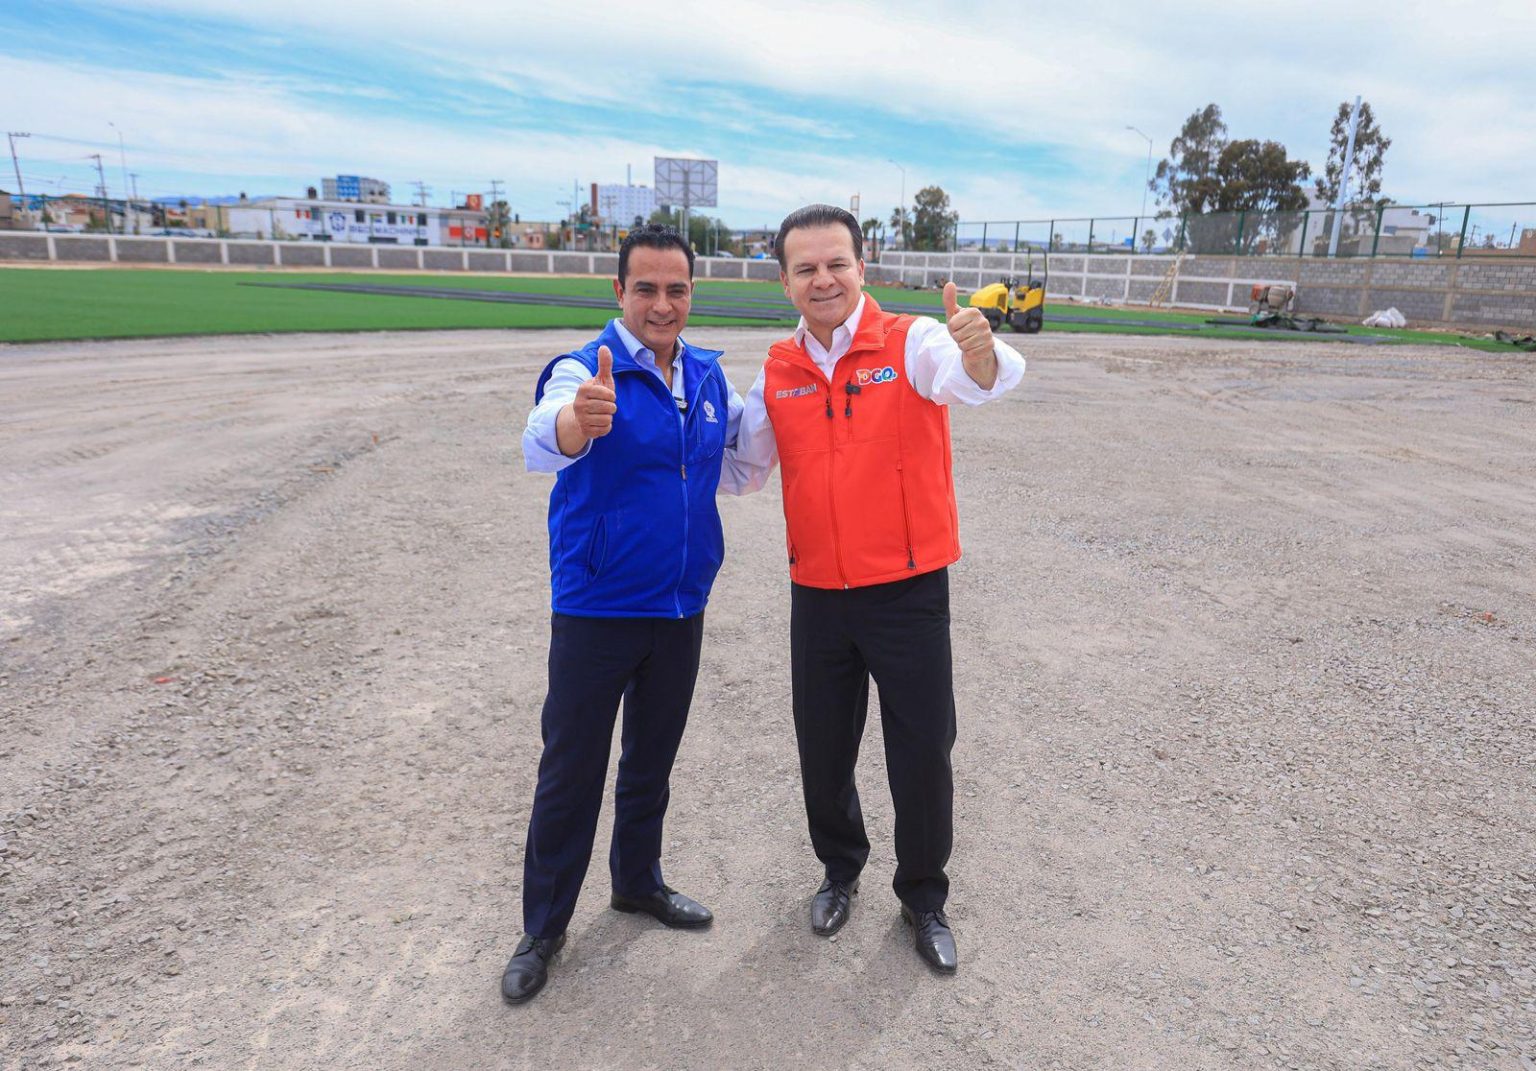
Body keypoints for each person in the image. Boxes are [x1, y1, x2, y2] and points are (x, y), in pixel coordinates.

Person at [720, 204, 1025, 974]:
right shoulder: (779, 371)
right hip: (818, 592)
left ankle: (924, 897)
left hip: (908, 592)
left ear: (863, 267)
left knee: (923, 750)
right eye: (805, 268)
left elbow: (971, 381)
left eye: (836, 264)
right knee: (823, 747)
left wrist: (981, 354)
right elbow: (741, 469)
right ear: (784, 280)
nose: (823, 279)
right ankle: (839, 869)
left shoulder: (912, 340)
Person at [501, 224, 744, 1005]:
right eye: (646, 288)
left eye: (676, 289)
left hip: (679, 606)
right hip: (597, 606)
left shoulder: (707, 378)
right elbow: (545, 436)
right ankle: (543, 926)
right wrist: (580, 420)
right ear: (618, 291)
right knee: (571, 769)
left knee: (651, 760)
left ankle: (637, 881)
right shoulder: (583, 368)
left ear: (691, 296)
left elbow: (748, 458)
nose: (662, 304)